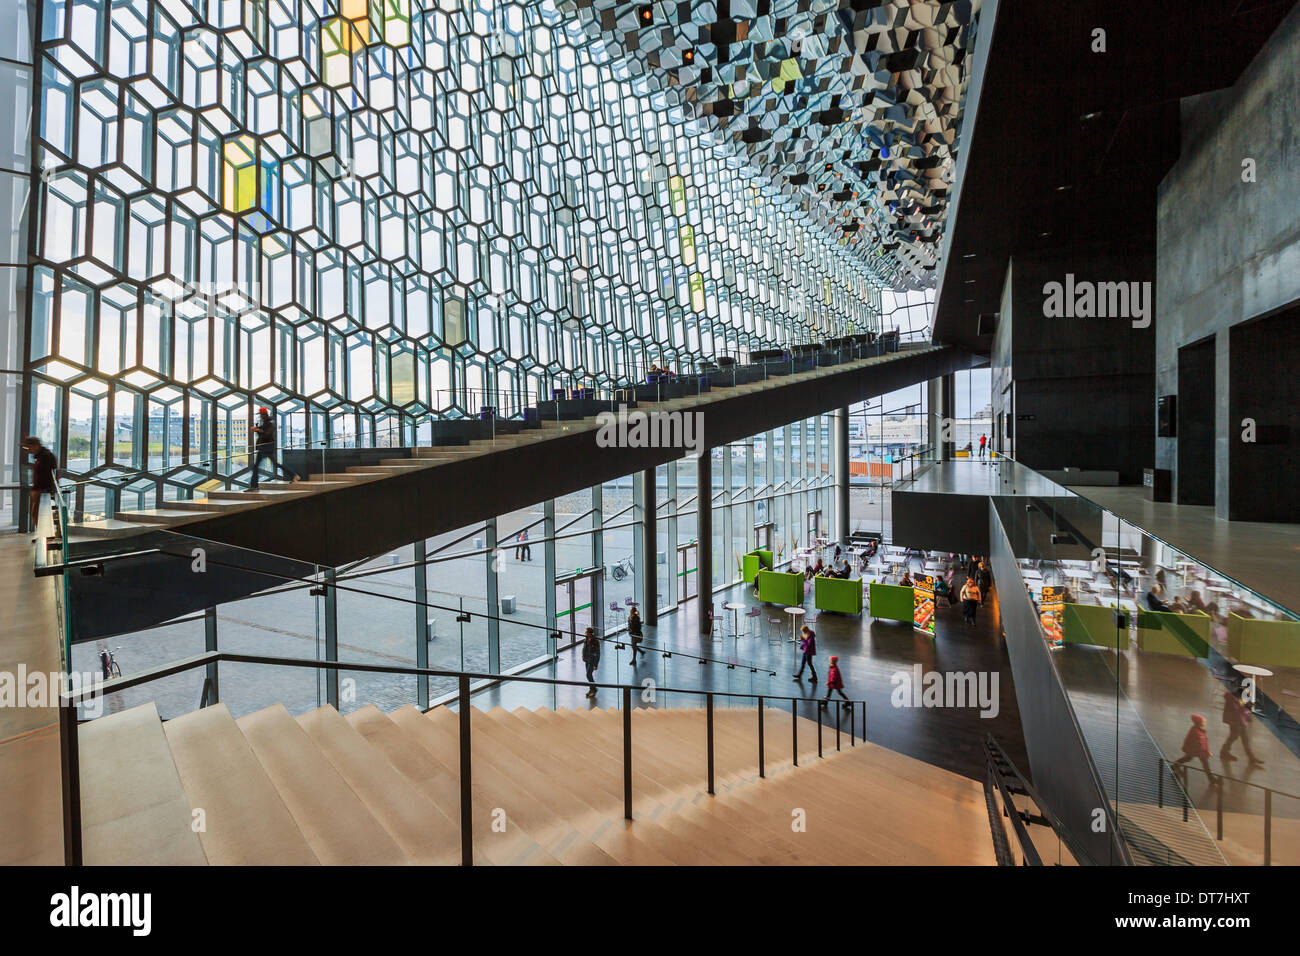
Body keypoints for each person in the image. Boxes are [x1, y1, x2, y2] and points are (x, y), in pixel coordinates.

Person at [249, 406, 301, 489]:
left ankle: (254, 486)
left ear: (264, 414)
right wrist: (258, 429)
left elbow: (266, 434)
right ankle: (294, 475)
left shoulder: (269, 423)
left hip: (266, 448)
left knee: (258, 466)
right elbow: (263, 432)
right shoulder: (266, 423)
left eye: (261, 414)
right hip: (264, 447)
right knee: (273, 464)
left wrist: (258, 430)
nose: (260, 416)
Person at [21, 436, 57, 531]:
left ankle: (44, 535)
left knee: (39, 514)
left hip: (42, 491)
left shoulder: (45, 457)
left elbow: (48, 476)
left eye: (28, 447)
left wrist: (45, 490)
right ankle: (43, 535)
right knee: (37, 513)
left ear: (36, 446)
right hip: (40, 490)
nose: (27, 450)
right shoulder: (42, 456)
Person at [1221, 689, 1263, 766]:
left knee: (1244, 739)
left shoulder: (1238, 699)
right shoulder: (1232, 699)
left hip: (1239, 720)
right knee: (1234, 736)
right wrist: (1246, 711)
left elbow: (1243, 709)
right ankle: (1224, 752)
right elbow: (1240, 709)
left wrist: (1247, 713)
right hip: (1234, 721)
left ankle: (1251, 758)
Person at [581, 626, 601, 698]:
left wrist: (596, 664)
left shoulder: (595, 641)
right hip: (587, 660)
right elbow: (584, 649)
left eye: (586, 632)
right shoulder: (585, 640)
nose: (585, 633)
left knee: (588, 675)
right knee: (589, 675)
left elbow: (598, 654)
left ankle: (592, 689)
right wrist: (583, 657)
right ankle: (593, 688)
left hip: (592, 660)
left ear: (589, 633)